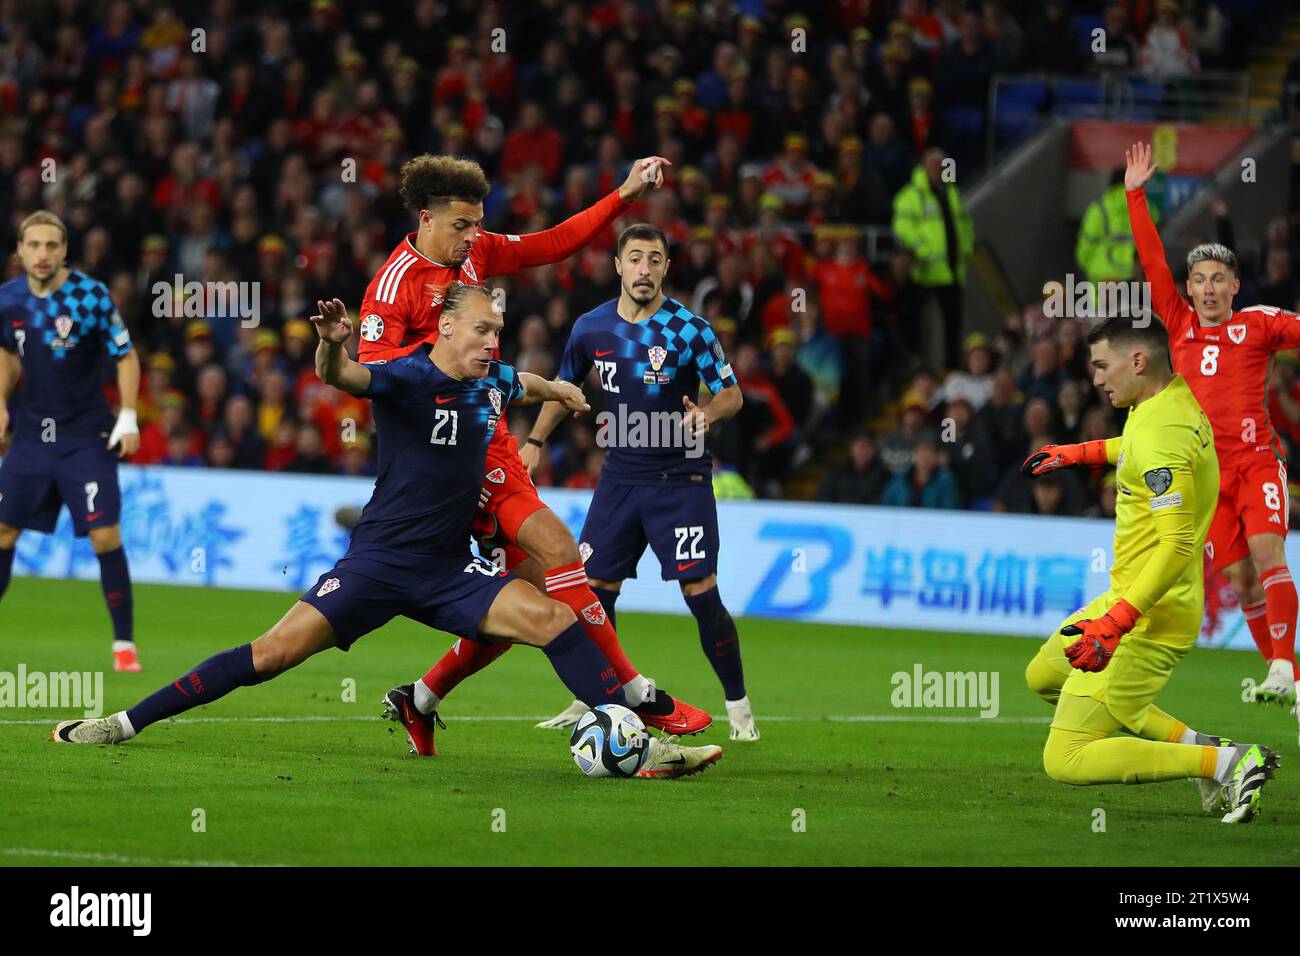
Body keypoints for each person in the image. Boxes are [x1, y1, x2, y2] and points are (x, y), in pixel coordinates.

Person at [51, 285, 722, 780]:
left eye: (498, 331)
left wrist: (562, 392)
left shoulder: (488, 383)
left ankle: (635, 743)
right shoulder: (406, 376)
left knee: (552, 616)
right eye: (484, 329)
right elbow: (340, 376)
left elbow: (526, 382)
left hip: (448, 569)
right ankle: (122, 723)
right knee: (272, 654)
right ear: (448, 327)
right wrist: (330, 344)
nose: (495, 341)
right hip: (378, 564)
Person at [351, 154, 714, 751]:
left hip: (491, 442)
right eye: (463, 226)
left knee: (527, 600)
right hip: (444, 458)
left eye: (478, 225)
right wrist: (473, 385)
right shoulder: (392, 288)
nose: (474, 239)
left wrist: (622, 192)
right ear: (426, 218)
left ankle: (420, 698)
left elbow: (553, 243)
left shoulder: (476, 253)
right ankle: (636, 693)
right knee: (559, 552)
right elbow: (375, 379)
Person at [1021, 315, 1277, 824]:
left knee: (1065, 757)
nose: (1095, 379)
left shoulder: (1162, 430)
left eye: (1101, 366)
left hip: (1147, 616)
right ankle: (1203, 749)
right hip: (1127, 599)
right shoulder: (1167, 401)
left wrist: (1117, 624)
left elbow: (1178, 541)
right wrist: (1079, 453)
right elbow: (1136, 449)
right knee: (1044, 676)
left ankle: (1227, 762)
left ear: (1137, 361)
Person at [521, 223, 759, 741]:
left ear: (667, 268)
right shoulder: (590, 328)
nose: (644, 269)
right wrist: (535, 443)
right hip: (620, 477)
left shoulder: (690, 328)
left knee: (700, 592)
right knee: (593, 591)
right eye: (635, 259)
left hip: (682, 478)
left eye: (654, 259)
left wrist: (708, 415)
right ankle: (595, 700)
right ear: (618, 266)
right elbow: (563, 389)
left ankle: (739, 709)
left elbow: (732, 394)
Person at [1127, 141, 1300, 738]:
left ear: (1234, 287)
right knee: (1240, 580)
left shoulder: (1258, 325)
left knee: (1267, 555)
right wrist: (1135, 194)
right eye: (1198, 279)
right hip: (1205, 477)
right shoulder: (1176, 324)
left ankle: (1281, 666)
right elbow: (1151, 260)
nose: (1205, 289)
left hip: (1255, 464)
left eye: (1217, 280)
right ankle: (1295, 683)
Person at [0, 210, 142, 671]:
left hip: (85, 436)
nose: (42, 254)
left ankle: (124, 646)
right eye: (33, 245)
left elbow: (125, 355)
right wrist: (1, 402)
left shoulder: (90, 296)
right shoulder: (9, 300)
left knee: (104, 535)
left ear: (65, 251)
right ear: (20, 251)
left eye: (51, 245)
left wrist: (128, 415)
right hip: (30, 440)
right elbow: (6, 353)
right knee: (2, 531)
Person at [891, 148, 974, 370]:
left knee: (953, 326)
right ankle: (915, 365)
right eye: (934, 164)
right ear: (923, 166)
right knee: (913, 322)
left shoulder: (952, 193)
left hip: (951, 271)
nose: (938, 168)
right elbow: (903, 229)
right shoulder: (910, 196)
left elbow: (964, 225)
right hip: (924, 270)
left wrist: (965, 249)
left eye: (942, 164)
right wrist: (923, 251)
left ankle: (950, 368)